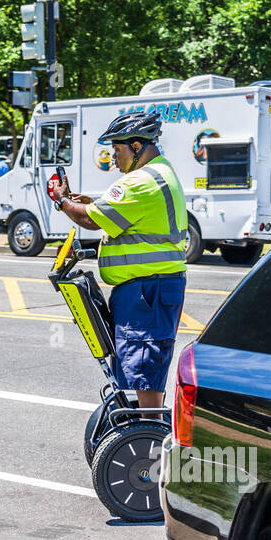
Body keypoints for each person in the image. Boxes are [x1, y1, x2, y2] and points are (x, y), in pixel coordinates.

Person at [51, 111, 187, 410]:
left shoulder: (140, 181)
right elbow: (129, 223)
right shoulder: (160, 172)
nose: (113, 157)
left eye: (117, 149)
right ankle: (141, 427)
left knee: (142, 365)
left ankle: (147, 433)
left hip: (146, 291)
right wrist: (90, 205)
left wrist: (62, 200)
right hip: (150, 288)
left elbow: (89, 221)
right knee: (140, 364)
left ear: (136, 147)